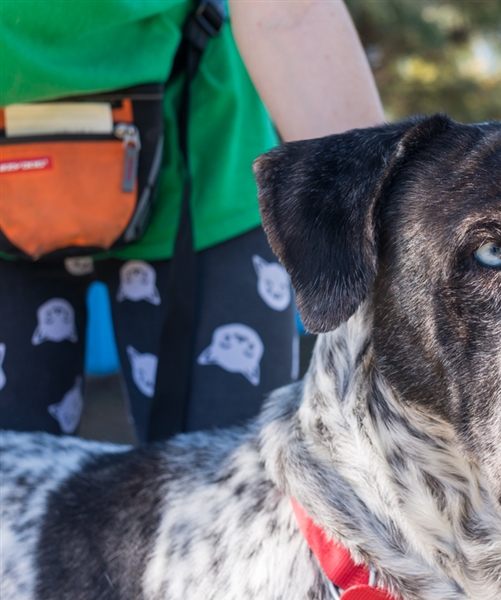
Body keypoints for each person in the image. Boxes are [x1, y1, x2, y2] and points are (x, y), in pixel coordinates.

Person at [0, 0, 385, 442]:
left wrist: (374, 232)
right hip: (9, 214)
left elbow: (291, 14)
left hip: (203, 172)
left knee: (239, 480)